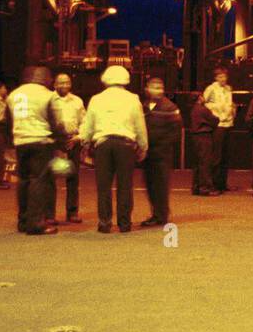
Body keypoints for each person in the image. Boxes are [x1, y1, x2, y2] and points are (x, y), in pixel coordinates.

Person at [80, 65, 148, 233]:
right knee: (125, 185)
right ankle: (124, 223)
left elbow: (88, 125)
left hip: (103, 145)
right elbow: (140, 125)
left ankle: (104, 223)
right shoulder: (133, 99)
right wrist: (143, 146)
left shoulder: (96, 99)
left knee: (104, 186)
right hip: (125, 145)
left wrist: (86, 143)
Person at [7, 65, 65, 235]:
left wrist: (12, 143)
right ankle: (36, 223)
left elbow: (8, 121)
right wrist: (61, 142)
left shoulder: (13, 95)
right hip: (41, 141)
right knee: (38, 181)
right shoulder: (48, 96)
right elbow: (56, 122)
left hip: (20, 141)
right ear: (44, 78)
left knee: (23, 180)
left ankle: (23, 221)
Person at [141, 76, 181, 225]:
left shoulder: (170, 107)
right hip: (148, 154)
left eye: (160, 88)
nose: (158, 90)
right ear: (147, 89)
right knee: (150, 184)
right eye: (154, 87)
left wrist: (161, 146)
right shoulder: (144, 106)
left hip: (162, 154)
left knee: (161, 186)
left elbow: (175, 132)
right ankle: (156, 213)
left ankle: (161, 216)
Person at [49, 72, 86, 223]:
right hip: (54, 142)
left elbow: (85, 121)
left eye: (67, 82)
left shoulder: (77, 101)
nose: (64, 85)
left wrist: (79, 138)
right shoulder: (49, 100)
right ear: (54, 84)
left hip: (73, 142)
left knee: (73, 179)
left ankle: (72, 212)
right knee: (51, 179)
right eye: (61, 82)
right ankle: (49, 214)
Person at [201, 65, 235, 192]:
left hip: (228, 124)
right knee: (217, 156)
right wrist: (216, 110)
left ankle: (223, 183)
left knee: (225, 155)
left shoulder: (228, 89)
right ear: (216, 77)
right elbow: (203, 103)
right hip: (218, 125)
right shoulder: (211, 89)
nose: (223, 79)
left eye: (224, 76)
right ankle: (214, 183)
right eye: (220, 76)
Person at [188, 97, 221, 197]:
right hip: (204, 136)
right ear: (199, 98)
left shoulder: (193, 109)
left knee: (197, 163)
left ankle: (196, 187)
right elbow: (215, 120)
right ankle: (205, 188)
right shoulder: (203, 109)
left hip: (195, 136)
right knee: (205, 162)